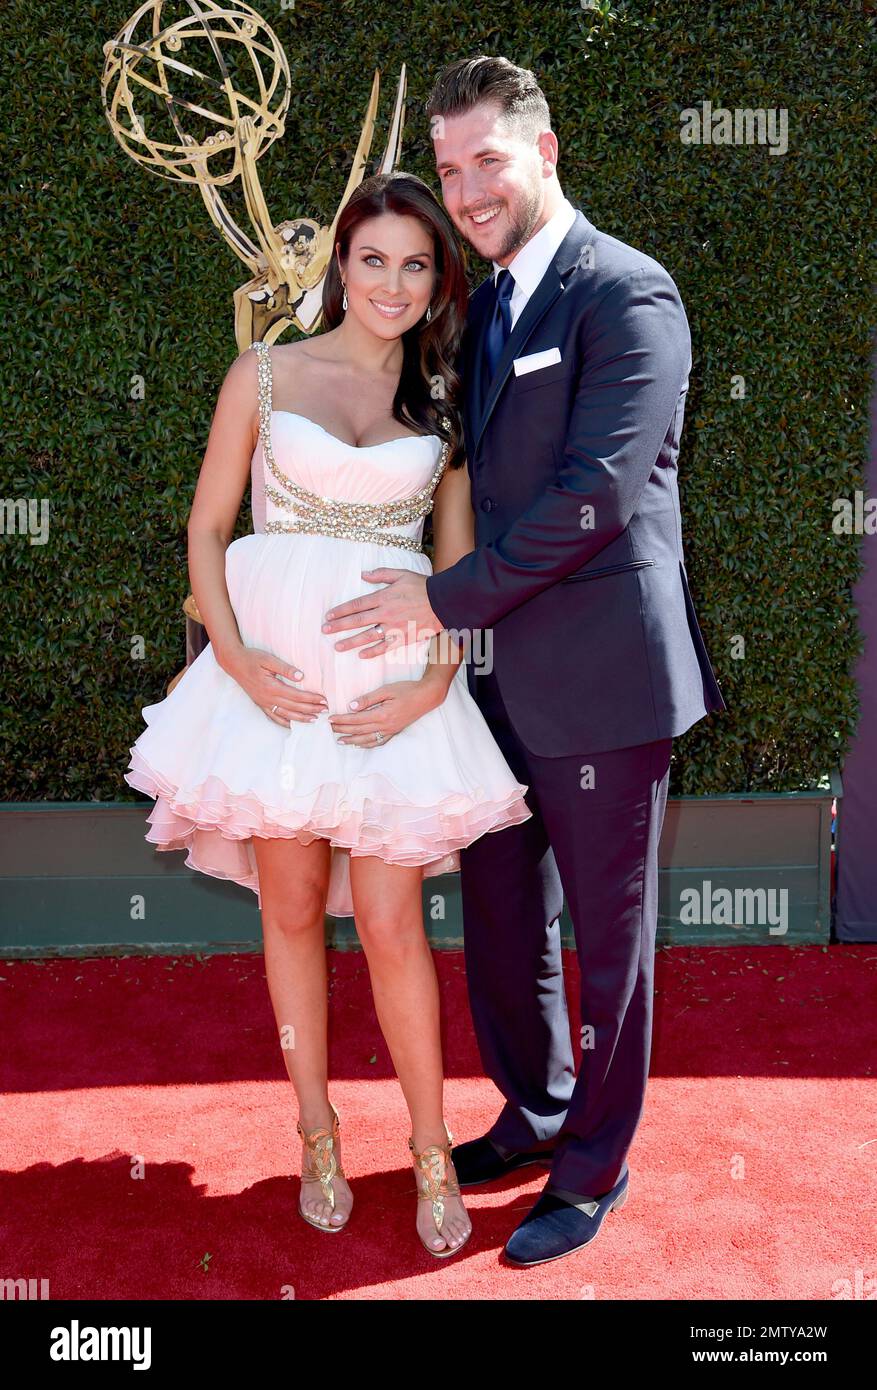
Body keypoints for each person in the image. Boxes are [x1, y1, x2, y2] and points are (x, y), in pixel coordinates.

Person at [321, 56, 728, 1266]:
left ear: (544, 152)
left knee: (608, 941)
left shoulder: (627, 295)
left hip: (603, 684)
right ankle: (537, 1106)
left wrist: (436, 605)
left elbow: (594, 496)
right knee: (500, 916)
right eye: (448, 170)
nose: (466, 189)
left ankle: (593, 1164)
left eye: (485, 160)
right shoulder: (491, 303)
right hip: (496, 682)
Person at [123, 170, 533, 1257]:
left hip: (388, 694)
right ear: (338, 265)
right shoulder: (260, 376)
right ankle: (315, 1129)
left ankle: (433, 1146)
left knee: (396, 925)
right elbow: (208, 530)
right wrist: (239, 663)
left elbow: (458, 571)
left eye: (415, 264)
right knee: (292, 908)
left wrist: (434, 684)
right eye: (372, 259)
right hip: (274, 685)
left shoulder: (443, 403)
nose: (393, 284)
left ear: (437, 277)